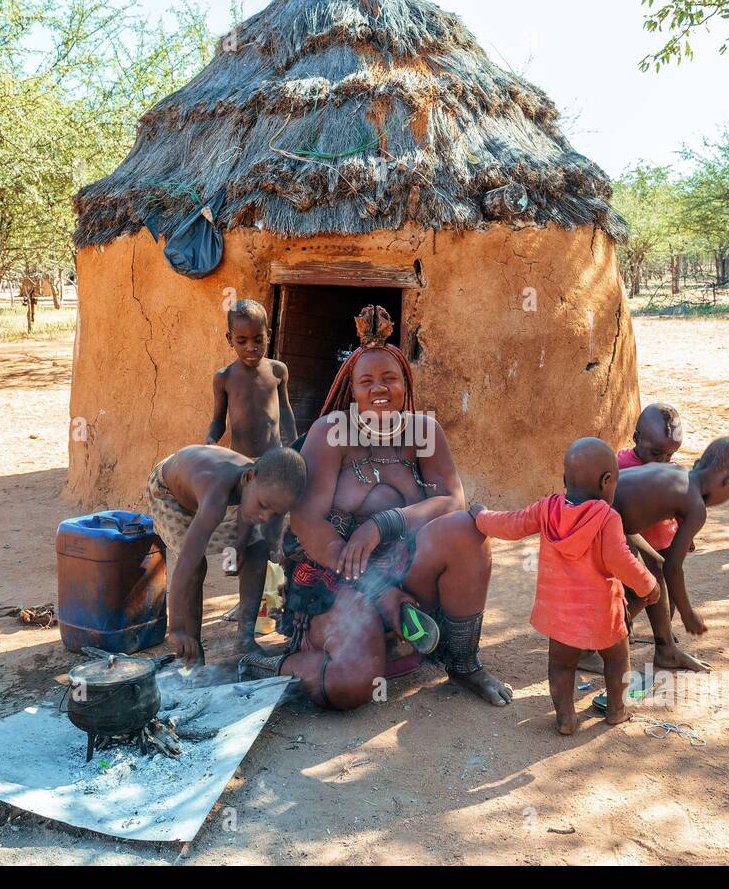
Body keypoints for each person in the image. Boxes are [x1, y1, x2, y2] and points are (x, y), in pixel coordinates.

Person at [238, 305, 513, 710]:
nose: (378, 388)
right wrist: (378, 590)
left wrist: (385, 523)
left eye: (390, 378)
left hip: (405, 563)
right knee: (351, 685)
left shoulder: (425, 432)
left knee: (467, 529)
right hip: (337, 575)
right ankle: (276, 664)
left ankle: (462, 662)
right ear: (352, 388)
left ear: (406, 383)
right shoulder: (331, 433)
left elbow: (452, 501)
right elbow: (310, 523)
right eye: (366, 380)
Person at [472, 438, 659, 734]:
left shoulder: (547, 509)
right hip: (603, 615)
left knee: (560, 666)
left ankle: (566, 719)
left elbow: (510, 524)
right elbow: (621, 561)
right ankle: (617, 710)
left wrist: (480, 516)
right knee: (617, 659)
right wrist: (649, 586)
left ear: (564, 479)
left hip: (559, 618)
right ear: (606, 481)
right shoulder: (607, 519)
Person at [146, 444, 306, 665]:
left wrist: (240, 544)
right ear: (249, 476)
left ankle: (245, 640)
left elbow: (248, 509)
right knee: (196, 566)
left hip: (208, 486)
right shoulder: (216, 496)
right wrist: (176, 628)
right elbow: (185, 563)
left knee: (257, 549)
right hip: (169, 491)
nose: (266, 516)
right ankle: (191, 648)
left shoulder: (257, 482)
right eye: (263, 505)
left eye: (275, 513)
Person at [611, 437, 729, 673]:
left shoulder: (676, 472)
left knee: (654, 567)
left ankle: (666, 650)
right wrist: (687, 613)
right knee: (642, 588)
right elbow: (674, 567)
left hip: (606, 511)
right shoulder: (697, 507)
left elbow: (665, 563)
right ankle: (590, 646)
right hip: (602, 519)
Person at [578, 403, 685, 674]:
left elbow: (680, 503)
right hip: (623, 537)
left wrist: (684, 533)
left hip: (660, 540)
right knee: (637, 591)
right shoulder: (620, 468)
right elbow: (606, 512)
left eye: (670, 454)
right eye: (656, 453)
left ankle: (663, 643)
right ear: (636, 439)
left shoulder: (669, 468)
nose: (662, 460)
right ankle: (589, 646)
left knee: (661, 582)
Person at [205, 298, 296, 560]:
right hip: (242, 462)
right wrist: (211, 438)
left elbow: (286, 411)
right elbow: (218, 419)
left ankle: (274, 553)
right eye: (241, 340)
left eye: (258, 339)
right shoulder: (224, 377)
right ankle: (244, 558)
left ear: (269, 335)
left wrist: (295, 444)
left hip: (274, 457)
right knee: (246, 514)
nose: (251, 348)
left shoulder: (278, 371)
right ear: (229, 338)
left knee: (275, 510)